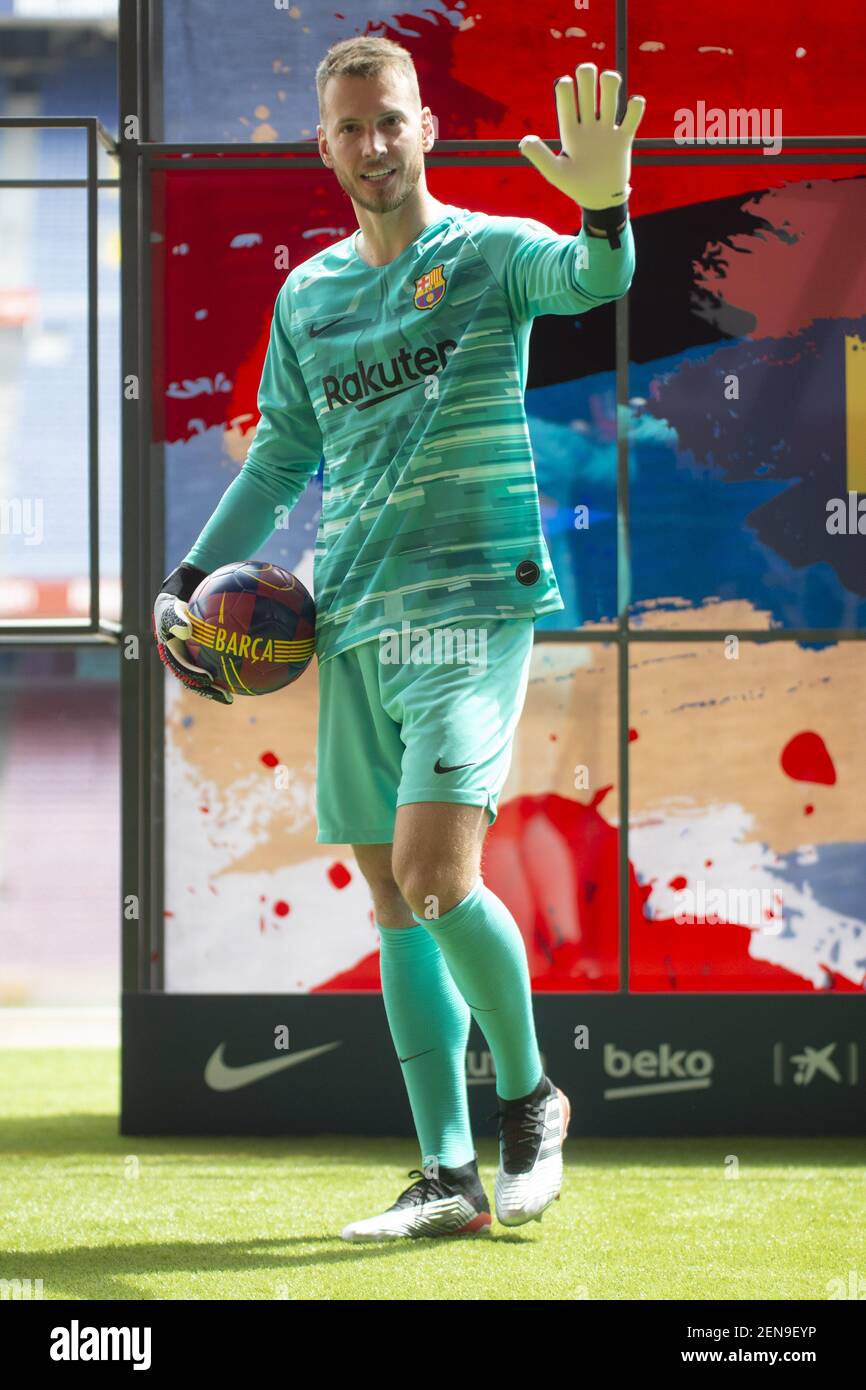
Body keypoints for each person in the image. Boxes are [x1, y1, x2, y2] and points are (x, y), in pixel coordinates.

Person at [153, 35, 644, 1241]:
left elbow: (594, 280)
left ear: (424, 126)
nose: (373, 145)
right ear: (323, 146)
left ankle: (529, 1099)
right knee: (391, 898)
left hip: (472, 605)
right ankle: (443, 1173)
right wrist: (187, 576)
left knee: (436, 875)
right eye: (350, 129)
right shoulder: (307, 294)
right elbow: (279, 457)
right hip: (354, 616)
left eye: (391, 121)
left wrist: (605, 208)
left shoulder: (483, 253)